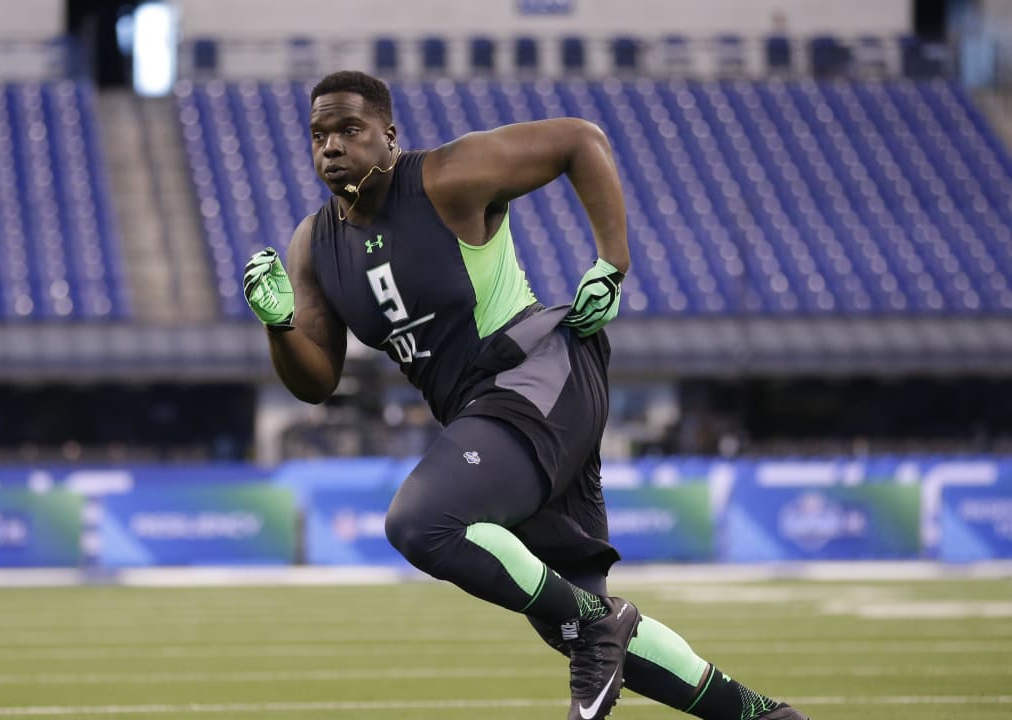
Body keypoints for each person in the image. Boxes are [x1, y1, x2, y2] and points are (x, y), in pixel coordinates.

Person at [243, 70, 808, 720]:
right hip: (494, 418)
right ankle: (765, 716)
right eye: (319, 136)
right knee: (566, 620)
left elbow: (580, 140)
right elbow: (315, 383)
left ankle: (598, 621)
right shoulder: (313, 245)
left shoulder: (447, 177)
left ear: (389, 135)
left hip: (541, 375)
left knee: (420, 523)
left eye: (349, 130)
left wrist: (612, 265)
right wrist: (278, 325)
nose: (331, 147)